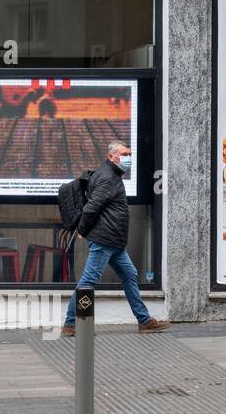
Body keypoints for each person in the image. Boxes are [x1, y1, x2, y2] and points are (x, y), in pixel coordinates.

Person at [61, 141, 170, 337]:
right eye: (125, 154)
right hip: (104, 240)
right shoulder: (107, 178)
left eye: (130, 154)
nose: (129, 158)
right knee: (88, 282)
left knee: (130, 275)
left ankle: (144, 321)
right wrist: (83, 230)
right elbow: (92, 207)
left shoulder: (110, 175)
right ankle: (71, 324)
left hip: (114, 242)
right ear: (112, 156)